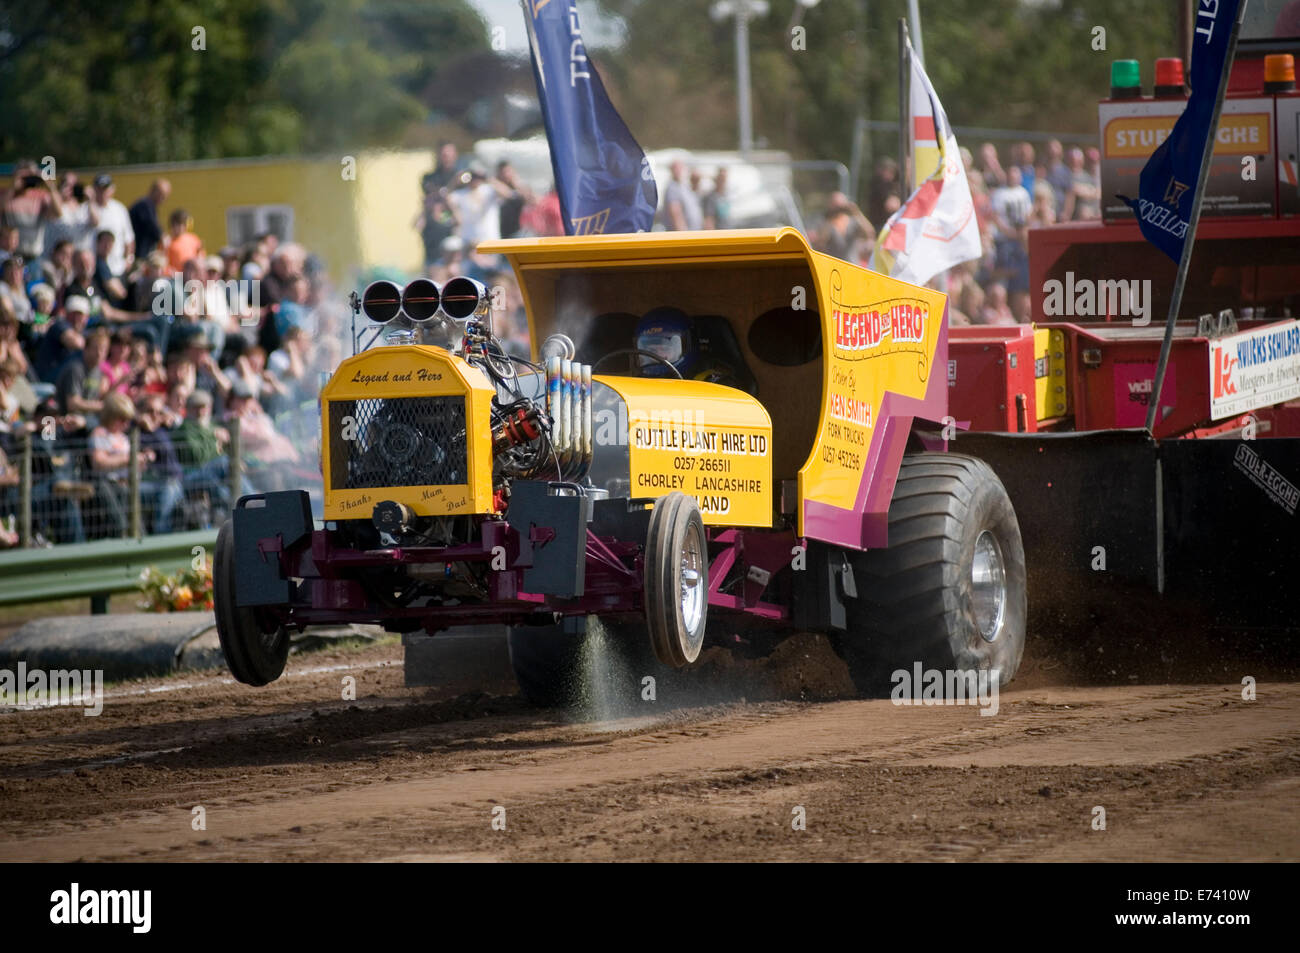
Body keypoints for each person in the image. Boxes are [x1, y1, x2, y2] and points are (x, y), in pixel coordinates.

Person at [1, 159, 63, 260]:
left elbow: (58, 213)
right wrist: (12, 187)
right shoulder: (7, 195)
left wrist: (50, 186)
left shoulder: (41, 196)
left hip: (33, 255)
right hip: (10, 255)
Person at [88, 174, 134, 277]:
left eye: (105, 188)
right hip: (94, 268)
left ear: (112, 189)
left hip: (117, 267)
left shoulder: (119, 209)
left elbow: (128, 238)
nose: (102, 192)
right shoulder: (85, 209)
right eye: (99, 189)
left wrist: (129, 260)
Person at [815, 192, 875, 263]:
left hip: (852, 265)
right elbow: (820, 244)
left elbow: (869, 232)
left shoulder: (853, 221)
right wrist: (829, 218)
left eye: (840, 204)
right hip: (833, 267)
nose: (838, 208)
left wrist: (857, 213)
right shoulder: (826, 223)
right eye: (835, 204)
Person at [128, 179, 170, 259]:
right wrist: (162, 236)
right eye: (161, 195)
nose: (163, 199)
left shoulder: (150, 206)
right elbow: (151, 224)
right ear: (153, 191)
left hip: (142, 253)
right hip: (139, 255)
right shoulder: (145, 205)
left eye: (165, 196)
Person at [661, 160, 702, 231]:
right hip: (684, 235)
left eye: (680, 168)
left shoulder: (683, 186)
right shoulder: (672, 188)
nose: (678, 171)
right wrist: (683, 234)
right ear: (671, 171)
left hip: (692, 233)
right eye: (675, 169)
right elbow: (675, 214)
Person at [163, 208, 202, 275]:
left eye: (183, 224)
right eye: (177, 224)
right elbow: (163, 261)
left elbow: (200, 257)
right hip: (174, 277)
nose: (180, 227)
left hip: (191, 276)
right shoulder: (167, 241)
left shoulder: (193, 239)